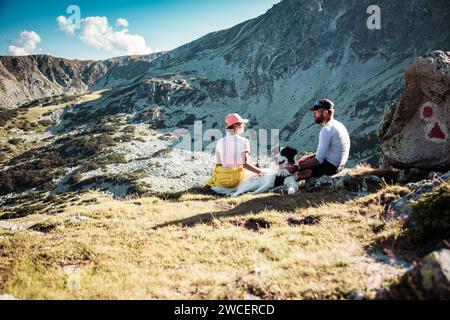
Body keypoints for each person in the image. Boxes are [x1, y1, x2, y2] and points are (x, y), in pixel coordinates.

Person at [288, 99, 350, 180]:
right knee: (304, 159)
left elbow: (318, 160)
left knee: (299, 173)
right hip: (338, 164)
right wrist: (307, 157)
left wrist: (297, 167)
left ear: (325, 112)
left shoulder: (327, 129)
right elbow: (325, 153)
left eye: (316, 111)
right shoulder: (338, 124)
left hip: (331, 167)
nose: (314, 114)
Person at [204, 113, 264, 188]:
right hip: (235, 180)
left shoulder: (219, 142)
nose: (244, 126)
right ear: (235, 126)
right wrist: (261, 172)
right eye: (242, 124)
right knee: (258, 171)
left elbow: (218, 164)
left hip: (221, 180)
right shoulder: (244, 141)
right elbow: (245, 164)